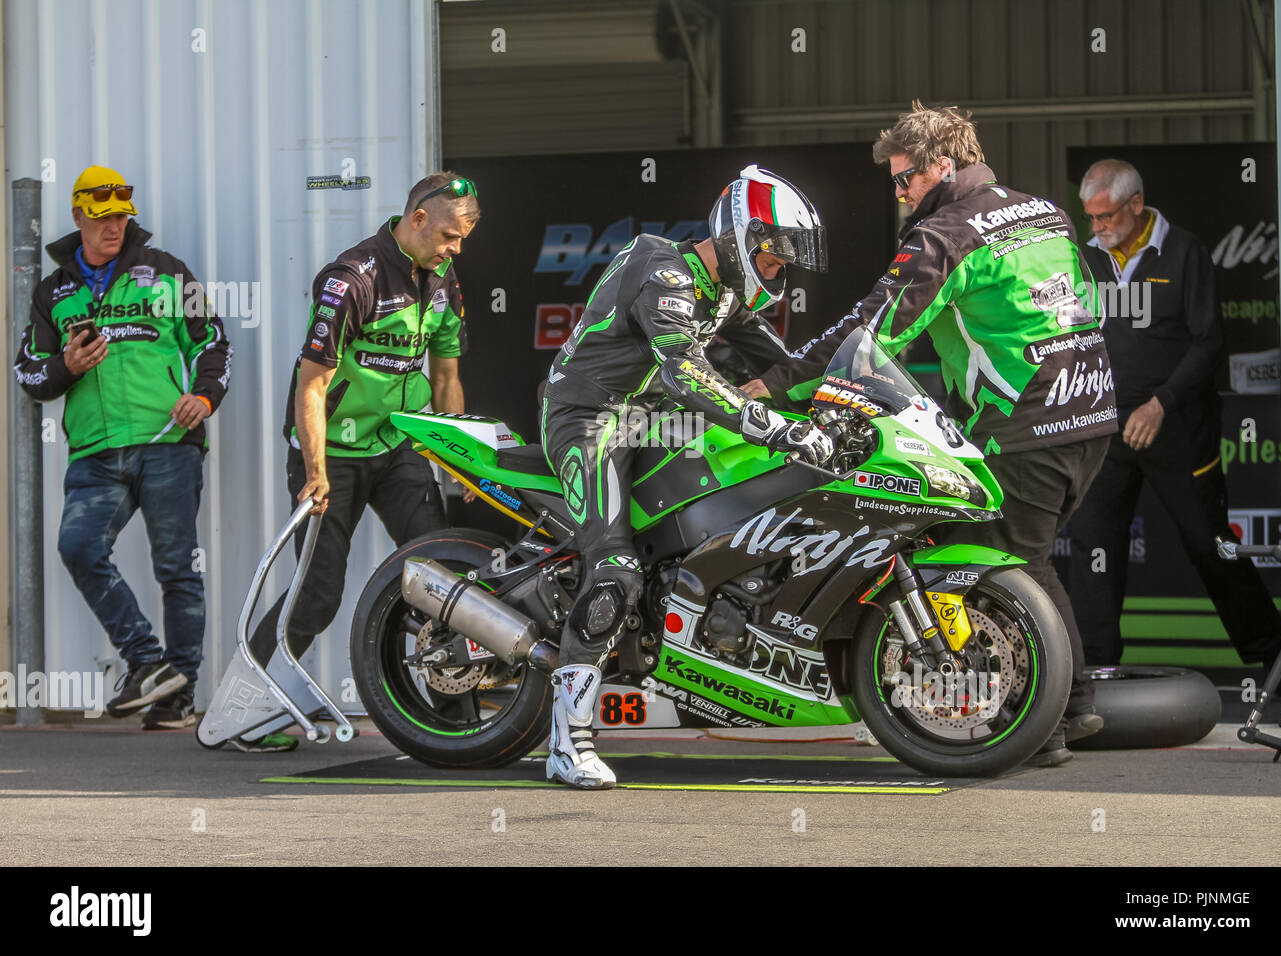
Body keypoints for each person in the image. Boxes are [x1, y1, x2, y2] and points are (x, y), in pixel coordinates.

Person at [744, 103, 1118, 766]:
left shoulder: (945, 235)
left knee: (985, 561)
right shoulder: (1044, 211)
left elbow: (868, 330)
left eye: (905, 179)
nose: (899, 194)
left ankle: (1044, 721)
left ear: (943, 165)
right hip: (1089, 416)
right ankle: (1071, 705)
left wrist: (771, 386)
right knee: (1026, 559)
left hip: (1026, 424)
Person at [542, 166, 832, 788]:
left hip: (651, 422)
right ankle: (568, 741)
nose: (779, 272)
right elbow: (685, 373)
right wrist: (774, 425)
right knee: (616, 565)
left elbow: (779, 364)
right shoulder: (663, 270)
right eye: (774, 256)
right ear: (737, 238)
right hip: (588, 420)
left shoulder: (724, 293)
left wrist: (838, 403)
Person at [233, 172, 480, 753]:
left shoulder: (444, 279)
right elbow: (312, 385)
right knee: (316, 594)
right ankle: (244, 710)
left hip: (396, 448)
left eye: (463, 240)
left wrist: (460, 461)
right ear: (416, 217)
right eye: (448, 235)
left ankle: (457, 718)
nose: (455, 249)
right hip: (331, 455)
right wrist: (315, 470)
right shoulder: (353, 279)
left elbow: (446, 377)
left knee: (442, 578)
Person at [13, 164, 232, 729]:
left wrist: (204, 399)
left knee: (176, 568)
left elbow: (214, 342)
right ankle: (147, 661)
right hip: (94, 451)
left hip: (168, 442)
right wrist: (68, 365)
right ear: (79, 215)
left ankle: (176, 700)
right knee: (78, 548)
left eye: (122, 217)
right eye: (103, 216)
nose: (115, 227)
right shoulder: (52, 291)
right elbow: (30, 375)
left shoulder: (167, 272)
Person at [1067, 159, 1281, 667]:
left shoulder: (1184, 252)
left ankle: (1275, 660)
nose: (1095, 227)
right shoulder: (1084, 260)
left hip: (1178, 425)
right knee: (1092, 543)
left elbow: (1210, 342)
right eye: (1090, 218)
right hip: (1106, 427)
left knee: (1210, 543)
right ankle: (1094, 667)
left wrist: (1161, 403)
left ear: (1136, 205)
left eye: (1105, 216)